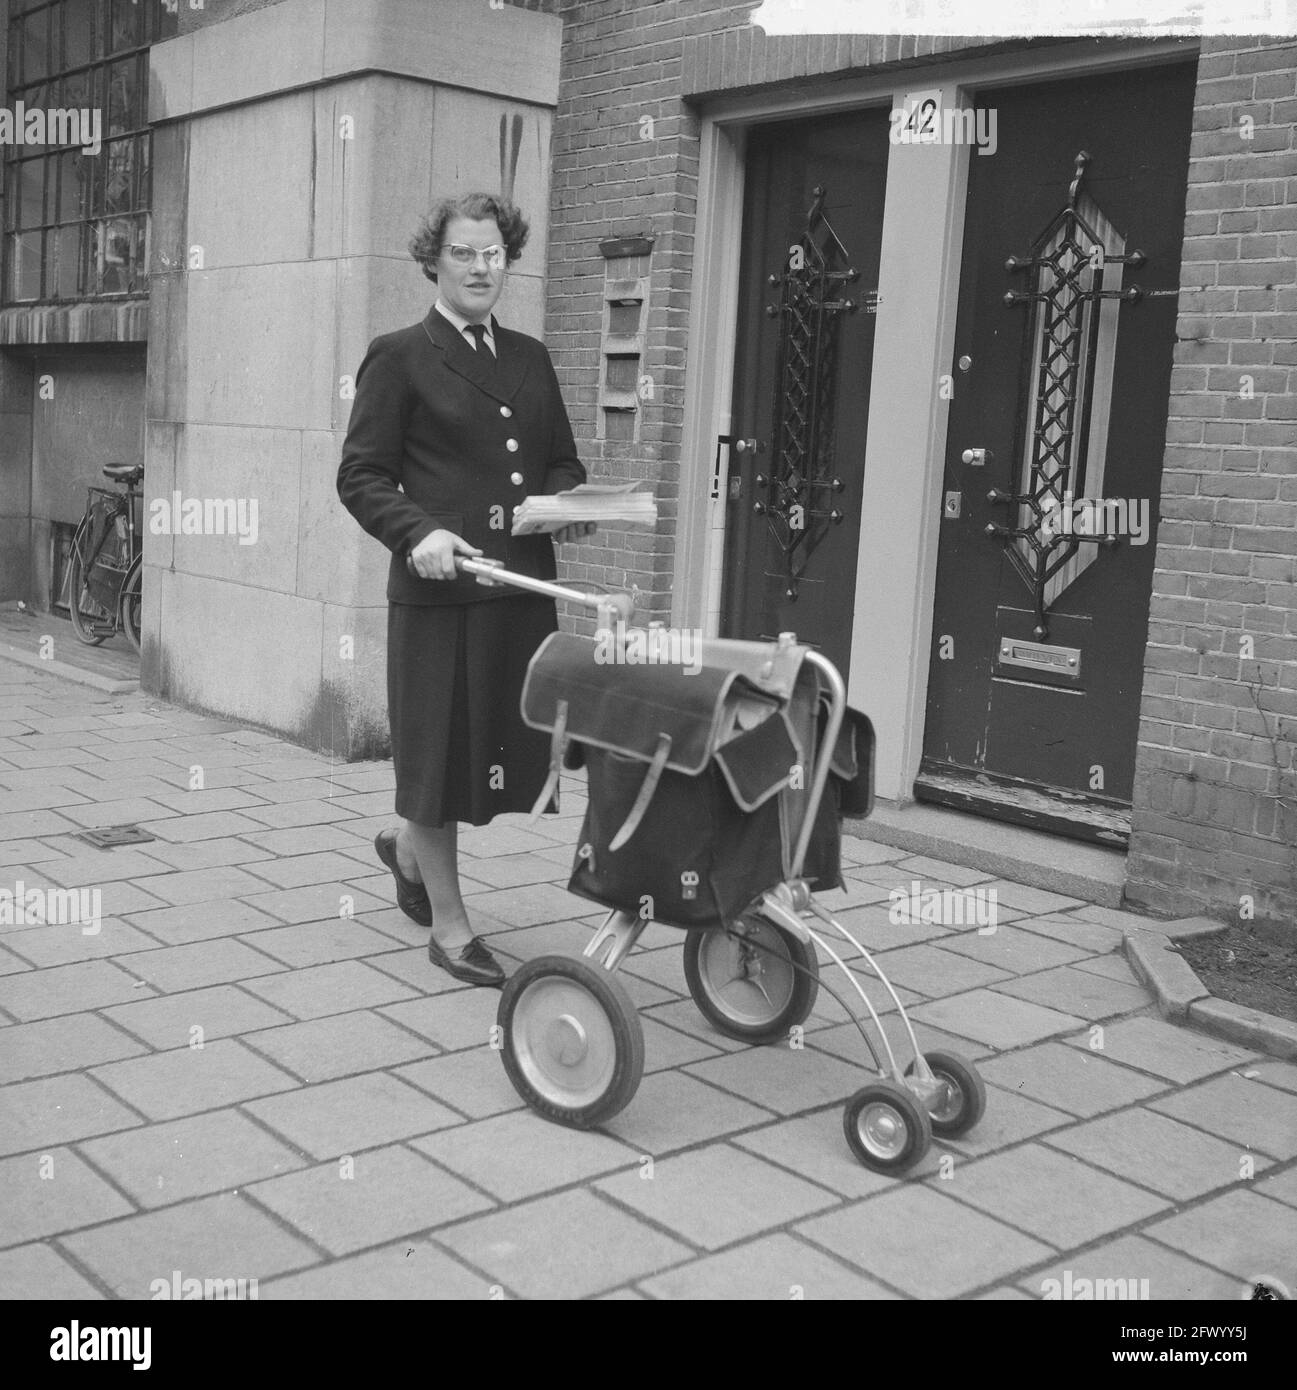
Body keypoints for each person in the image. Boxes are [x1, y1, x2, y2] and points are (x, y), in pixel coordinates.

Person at [337, 192, 594, 987]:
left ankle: (408, 847)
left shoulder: (529, 355)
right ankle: (449, 928)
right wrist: (418, 534)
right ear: (434, 261)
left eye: (493, 254)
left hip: (517, 590)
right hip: (442, 598)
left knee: (495, 751)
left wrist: (567, 506)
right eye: (464, 254)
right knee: (438, 758)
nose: (482, 268)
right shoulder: (399, 354)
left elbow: (560, 460)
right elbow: (361, 475)